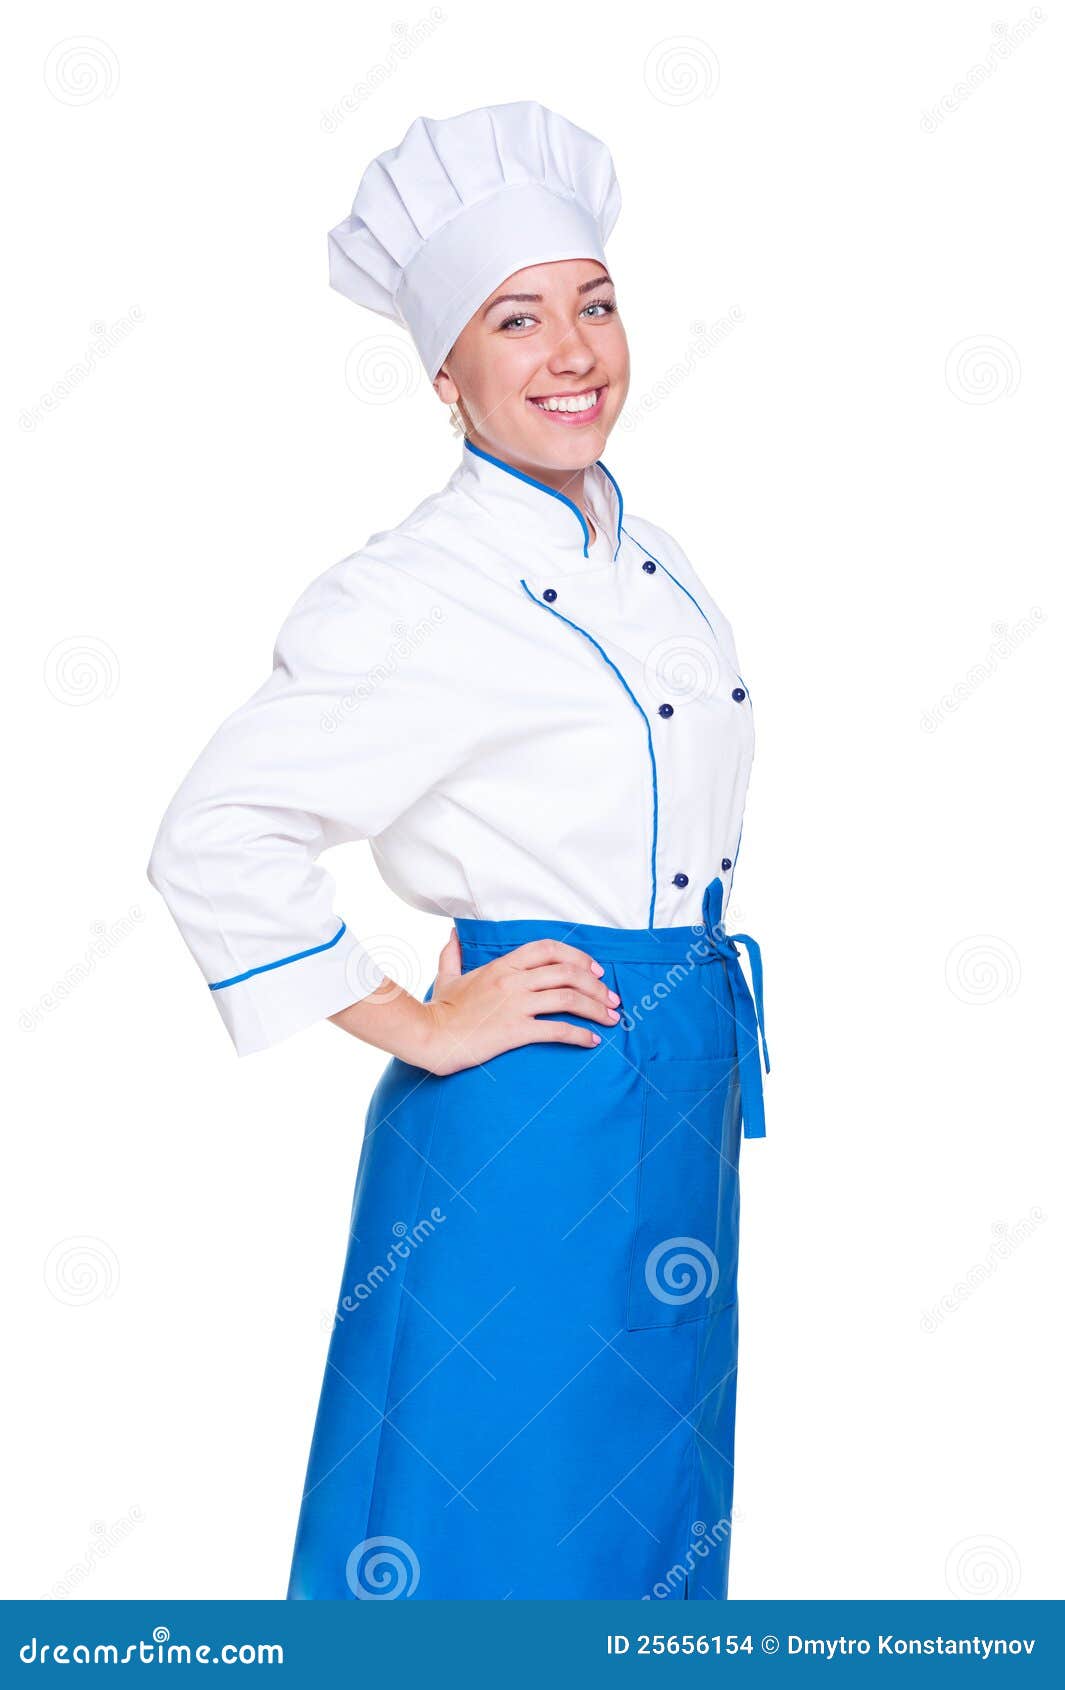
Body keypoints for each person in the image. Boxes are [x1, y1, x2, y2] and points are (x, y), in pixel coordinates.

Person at [147, 100, 769, 1602]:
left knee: (649, 1538)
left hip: (677, 1088)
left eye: (594, 305)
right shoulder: (419, 590)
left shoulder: (647, 552)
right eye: (516, 319)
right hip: (528, 1117)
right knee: (491, 1536)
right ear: (445, 371)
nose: (572, 352)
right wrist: (420, 1020)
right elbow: (214, 836)